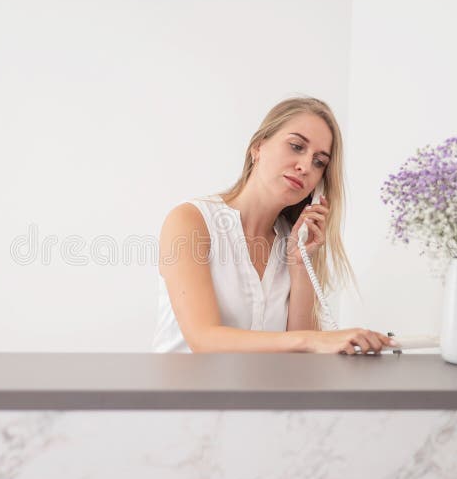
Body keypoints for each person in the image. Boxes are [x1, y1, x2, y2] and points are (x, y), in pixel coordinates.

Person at [152, 97, 396, 354]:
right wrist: (313, 339)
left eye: (319, 162)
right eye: (296, 146)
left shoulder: (293, 244)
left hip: (257, 395)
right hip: (185, 393)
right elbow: (204, 340)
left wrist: (300, 265)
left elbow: (301, 364)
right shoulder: (191, 221)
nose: (304, 167)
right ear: (258, 147)